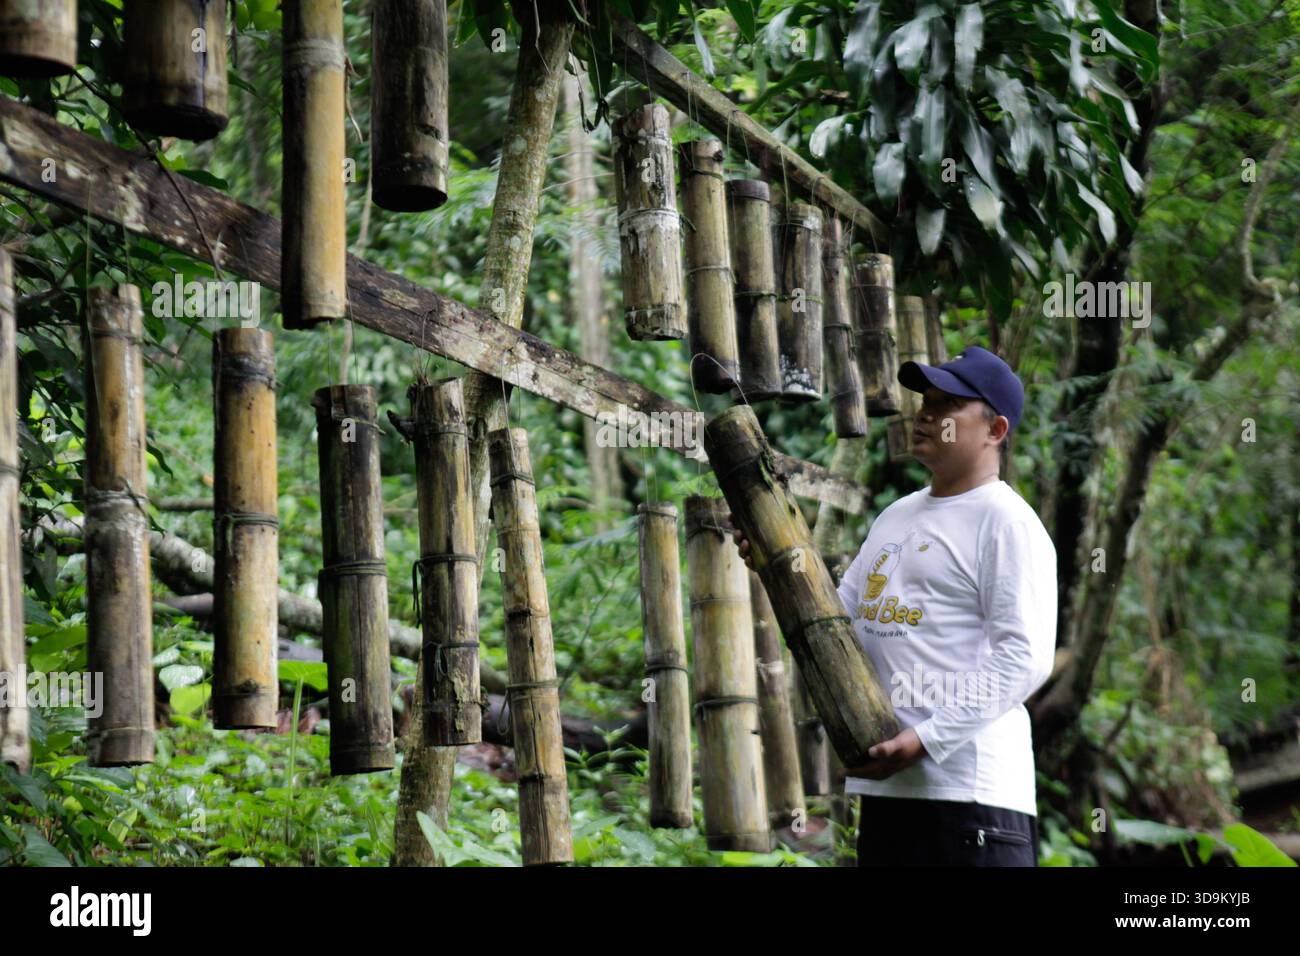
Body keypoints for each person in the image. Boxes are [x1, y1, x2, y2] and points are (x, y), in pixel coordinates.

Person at [732, 345, 1057, 866]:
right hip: (891, 796)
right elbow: (839, 624)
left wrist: (925, 740)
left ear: (995, 430)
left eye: (948, 405)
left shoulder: (1008, 523)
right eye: (925, 400)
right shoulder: (897, 517)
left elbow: (1026, 657)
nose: (926, 414)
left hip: (972, 800)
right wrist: (773, 566)